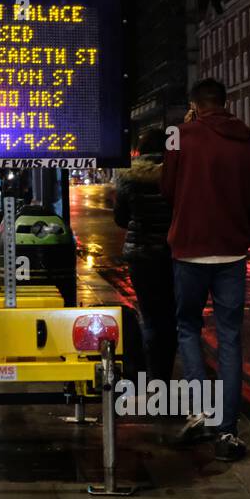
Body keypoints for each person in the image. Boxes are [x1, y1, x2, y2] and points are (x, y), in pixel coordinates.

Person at [161, 79, 250, 463]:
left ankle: (199, 414)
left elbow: (168, 189)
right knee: (230, 340)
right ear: (225, 103)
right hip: (231, 253)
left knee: (188, 328)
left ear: (194, 105)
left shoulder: (179, 135)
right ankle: (227, 430)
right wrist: (244, 235)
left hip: (190, 250)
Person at [113, 128, 177, 384]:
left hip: (140, 255)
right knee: (172, 316)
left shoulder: (128, 176)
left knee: (150, 317)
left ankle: (154, 379)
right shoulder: (176, 173)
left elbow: (121, 218)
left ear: (139, 150)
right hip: (173, 253)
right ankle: (166, 375)